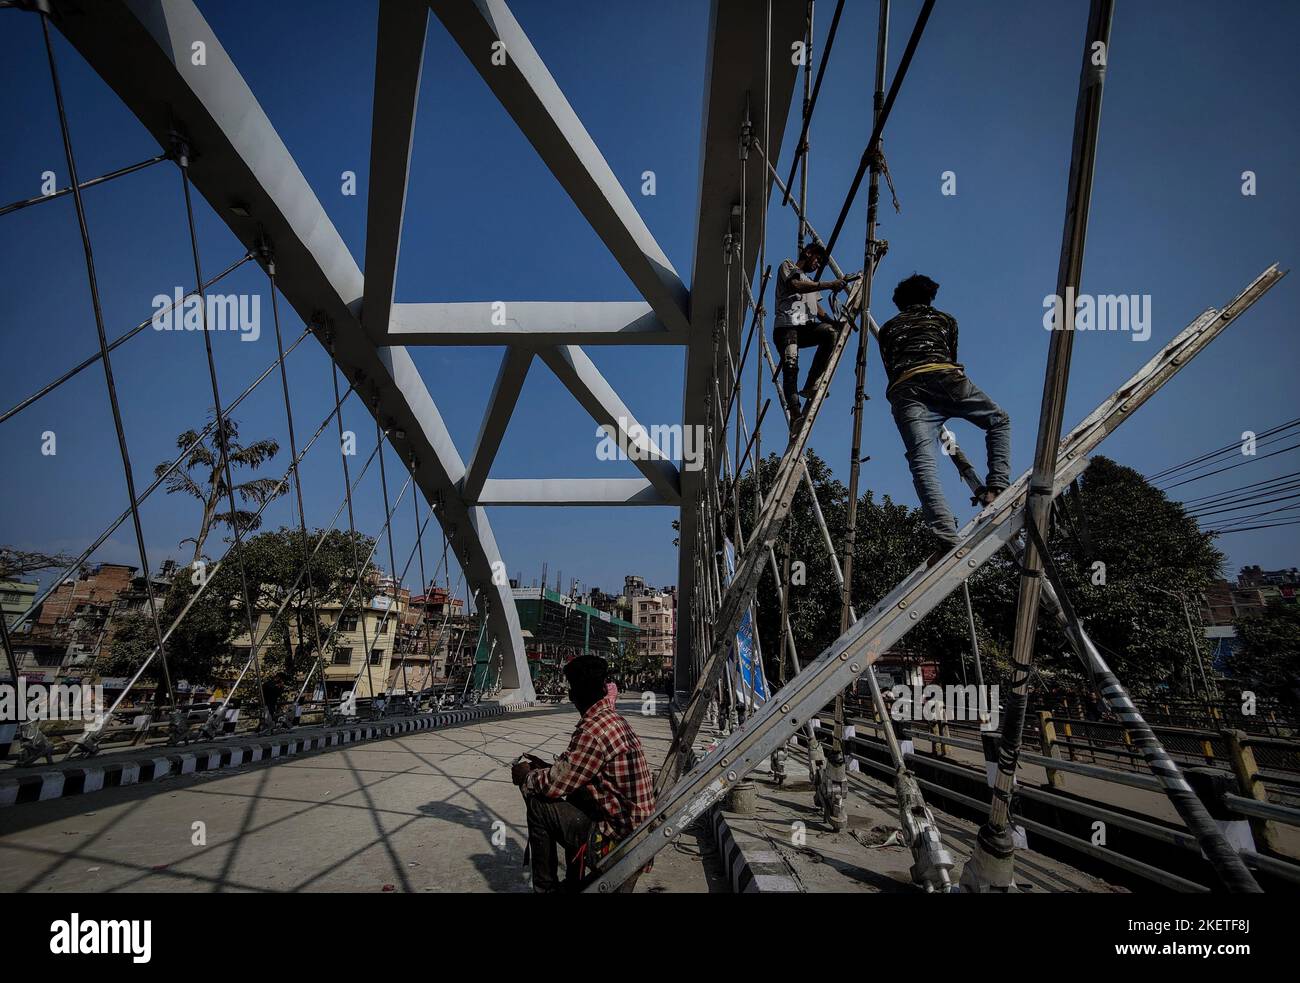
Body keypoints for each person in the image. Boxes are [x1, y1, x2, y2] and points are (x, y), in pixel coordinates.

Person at [878, 273, 1011, 560]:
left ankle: (945, 535)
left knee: (922, 462)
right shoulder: (946, 320)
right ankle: (998, 487)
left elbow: (890, 366)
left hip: (906, 391)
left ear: (900, 304)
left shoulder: (887, 329)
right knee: (998, 420)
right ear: (930, 297)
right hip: (945, 378)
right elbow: (949, 355)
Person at [512, 655, 654, 892]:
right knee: (577, 794)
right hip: (636, 834)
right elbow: (576, 772)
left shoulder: (593, 729)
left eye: (571, 689)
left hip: (617, 841)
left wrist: (526, 775)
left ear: (576, 694)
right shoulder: (613, 719)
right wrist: (547, 766)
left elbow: (555, 784)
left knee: (539, 803)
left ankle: (546, 889)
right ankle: (573, 882)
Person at [774, 242, 849, 430]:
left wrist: (834, 323)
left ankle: (810, 384)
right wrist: (829, 284)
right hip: (787, 327)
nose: (817, 264)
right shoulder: (788, 265)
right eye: (817, 259)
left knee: (829, 334)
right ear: (808, 253)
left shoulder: (810, 283)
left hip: (804, 327)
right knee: (791, 365)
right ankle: (795, 414)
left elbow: (818, 310)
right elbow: (796, 285)